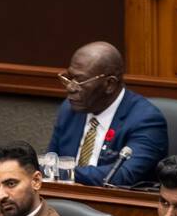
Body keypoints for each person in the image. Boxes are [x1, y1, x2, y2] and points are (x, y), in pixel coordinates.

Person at [46, 41, 167, 188]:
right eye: (69, 78)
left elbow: (123, 176)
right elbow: (51, 160)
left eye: (80, 81)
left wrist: (66, 172)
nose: (70, 88)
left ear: (110, 84)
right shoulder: (70, 109)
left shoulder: (146, 120)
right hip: (65, 200)